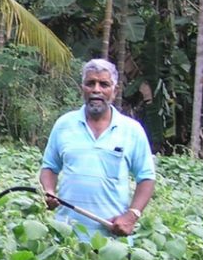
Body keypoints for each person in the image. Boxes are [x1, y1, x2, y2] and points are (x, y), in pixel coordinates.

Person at [39, 58, 155, 238]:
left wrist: (132, 215)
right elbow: (49, 167)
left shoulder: (132, 131)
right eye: (90, 83)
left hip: (111, 239)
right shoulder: (63, 124)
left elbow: (146, 178)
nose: (96, 89)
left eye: (104, 84)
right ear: (82, 88)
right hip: (64, 236)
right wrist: (49, 191)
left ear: (114, 91)